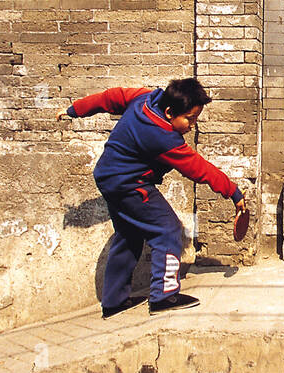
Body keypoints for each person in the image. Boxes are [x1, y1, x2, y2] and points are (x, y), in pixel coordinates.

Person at [58, 78, 246, 317]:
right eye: (189, 119)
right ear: (169, 112)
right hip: (129, 184)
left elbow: (111, 97)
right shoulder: (162, 137)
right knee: (167, 229)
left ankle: (113, 302)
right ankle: (164, 297)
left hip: (107, 176)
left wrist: (75, 109)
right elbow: (198, 169)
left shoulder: (146, 97)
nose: (192, 125)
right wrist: (233, 191)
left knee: (129, 235)